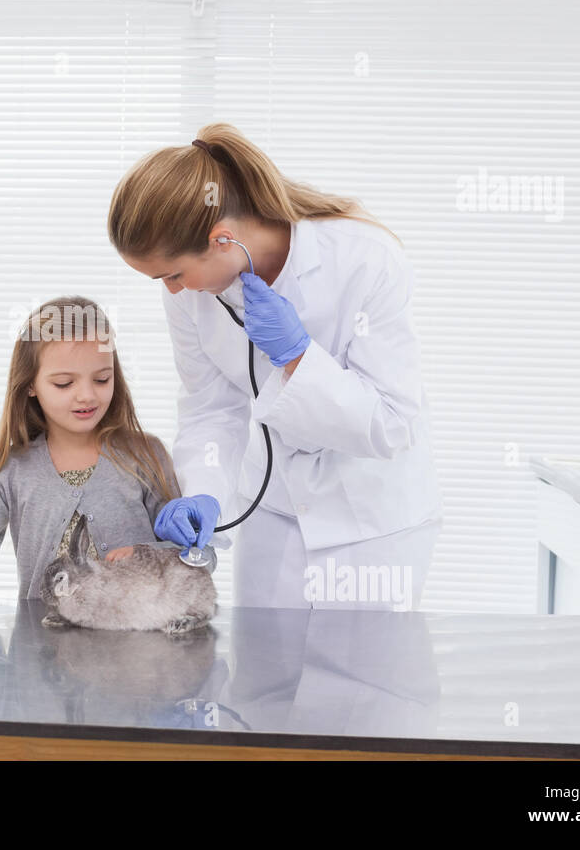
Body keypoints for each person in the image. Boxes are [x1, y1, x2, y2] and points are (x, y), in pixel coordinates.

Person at [107, 122, 443, 611]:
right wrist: (202, 493)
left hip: (372, 528)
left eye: (174, 274)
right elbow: (210, 409)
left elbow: (391, 424)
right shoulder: (190, 295)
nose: (173, 289)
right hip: (273, 517)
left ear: (222, 239)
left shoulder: (364, 259)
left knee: (366, 685)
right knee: (262, 683)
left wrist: (298, 356)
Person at [0, 295, 207, 623]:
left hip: (135, 656)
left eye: (102, 379)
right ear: (30, 384)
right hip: (42, 656)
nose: (87, 395)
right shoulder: (12, 472)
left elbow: (197, 558)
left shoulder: (144, 456)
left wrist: (146, 556)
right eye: (64, 383)